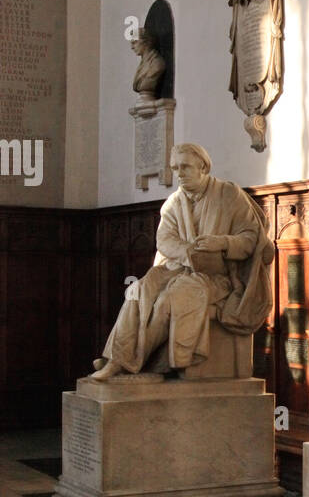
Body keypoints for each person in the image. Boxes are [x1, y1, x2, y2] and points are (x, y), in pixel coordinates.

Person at [91, 143, 273, 380]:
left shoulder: (229, 195)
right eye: (175, 168)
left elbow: (251, 239)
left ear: (203, 167)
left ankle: (129, 363)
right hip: (179, 269)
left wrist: (223, 243)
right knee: (138, 290)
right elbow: (164, 240)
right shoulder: (174, 203)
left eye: (185, 167)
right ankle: (119, 358)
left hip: (218, 277)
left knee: (170, 300)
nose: (179, 173)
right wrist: (190, 254)